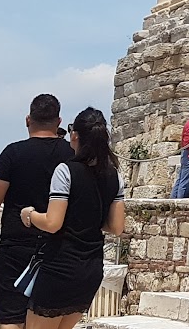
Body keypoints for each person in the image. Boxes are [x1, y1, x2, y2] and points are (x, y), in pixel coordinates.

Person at [0, 94, 74, 329]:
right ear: (59, 122)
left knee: (11, 318)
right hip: (59, 247)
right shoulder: (71, 155)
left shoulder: (13, 153)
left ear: (27, 120)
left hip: (16, 246)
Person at [20, 107, 125, 329]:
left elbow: (52, 223)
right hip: (91, 269)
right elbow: (116, 227)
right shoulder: (114, 175)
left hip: (60, 265)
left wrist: (29, 215)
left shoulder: (65, 171)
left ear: (75, 134)